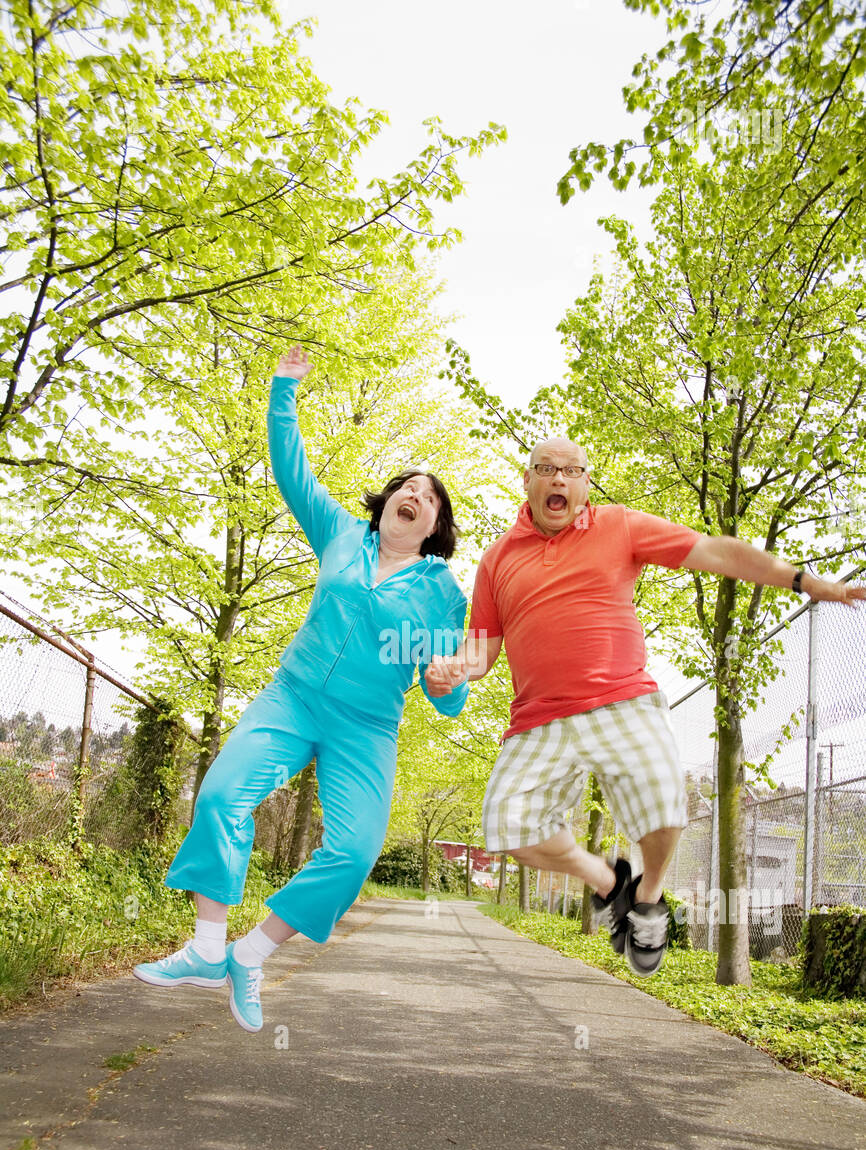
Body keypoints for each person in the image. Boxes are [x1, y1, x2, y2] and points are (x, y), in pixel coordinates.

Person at [425, 435, 865, 978]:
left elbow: (716, 551)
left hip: (622, 699)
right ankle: (611, 883)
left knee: (664, 803)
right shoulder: (497, 559)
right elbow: (483, 648)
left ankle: (649, 898)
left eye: (571, 470)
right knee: (507, 825)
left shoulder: (620, 526)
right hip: (539, 716)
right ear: (528, 480)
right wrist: (454, 669)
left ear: (586, 484)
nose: (558, 479)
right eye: (546, 468)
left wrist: (802, 580)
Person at [134, 347, 468, 1030]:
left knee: (353, 854)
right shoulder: (342, 535)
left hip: (366, 726)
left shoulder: (441, 593)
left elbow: (450, 692)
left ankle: (250, 955)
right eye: (407, 486)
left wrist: (445, 682)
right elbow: (293, 472)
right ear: (387, 503)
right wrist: (283, 390)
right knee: (221, 797)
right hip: (292, 697)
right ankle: (206, 949)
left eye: (430, 496)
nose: (416, 495)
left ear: (435, 527)